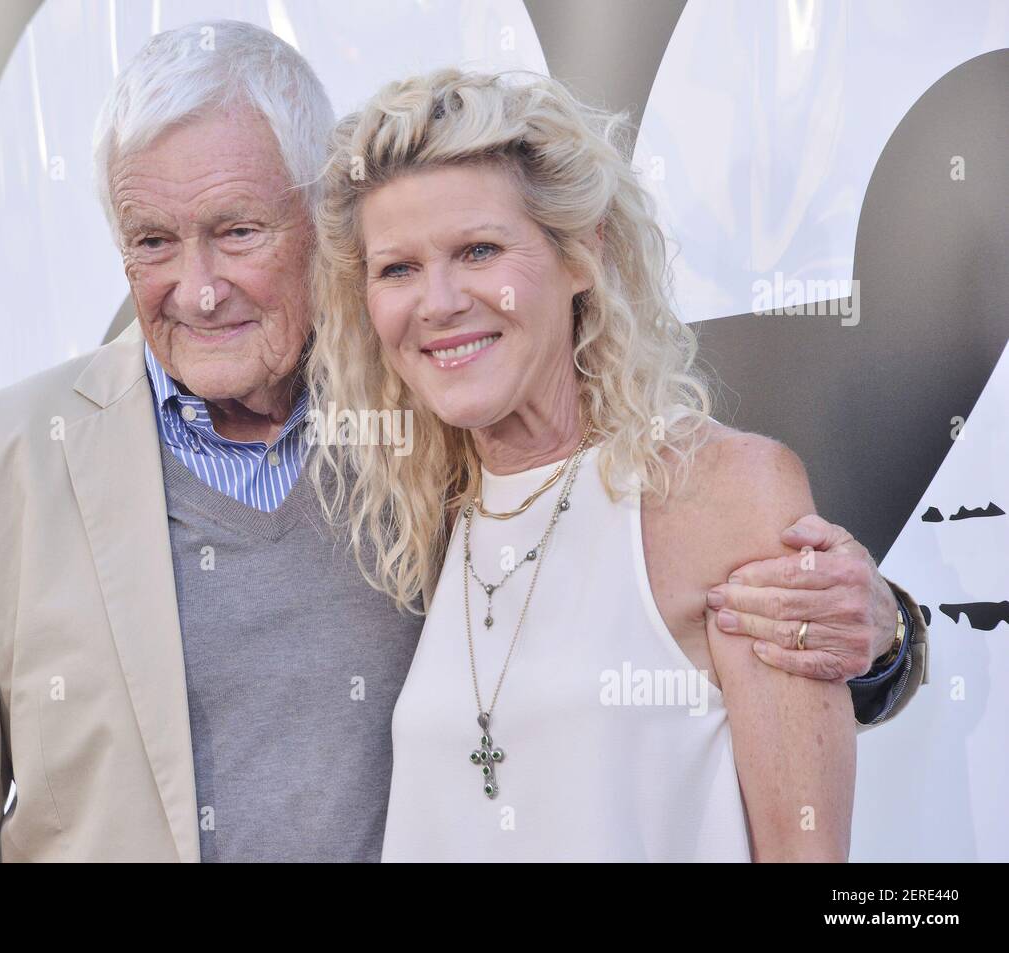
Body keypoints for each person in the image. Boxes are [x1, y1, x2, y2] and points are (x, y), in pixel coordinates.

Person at [0, 21, 927, 863]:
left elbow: (719, 636)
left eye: (237, 228)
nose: (199, 285)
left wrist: (881, 631)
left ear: (316, 229)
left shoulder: (424, 433)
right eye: (151, 242)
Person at [307, 67, 920, 861]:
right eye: (398, 269)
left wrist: (897, 629)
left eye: (479, 249)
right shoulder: (421, 517)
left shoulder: (719, 492)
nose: (439, 301)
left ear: (580, 256)